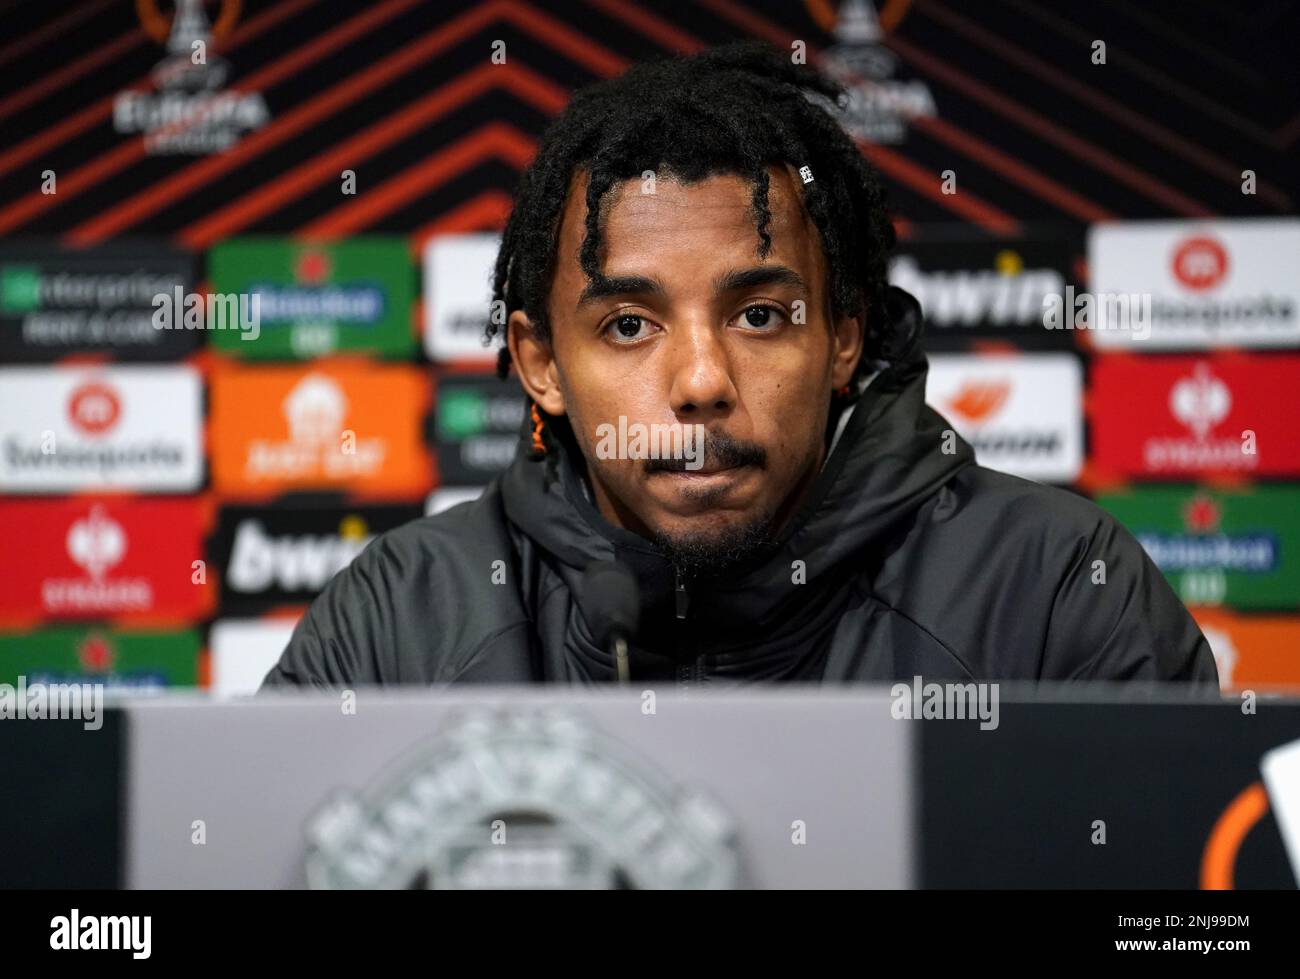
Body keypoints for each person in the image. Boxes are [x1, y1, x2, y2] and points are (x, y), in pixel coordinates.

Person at [262, 42, 1217, 688]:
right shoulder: (399, 625)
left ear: (844, 336)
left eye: (760, 314)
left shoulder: (1051, 591)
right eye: (630, 325)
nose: (703, 381)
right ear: (540, 362)